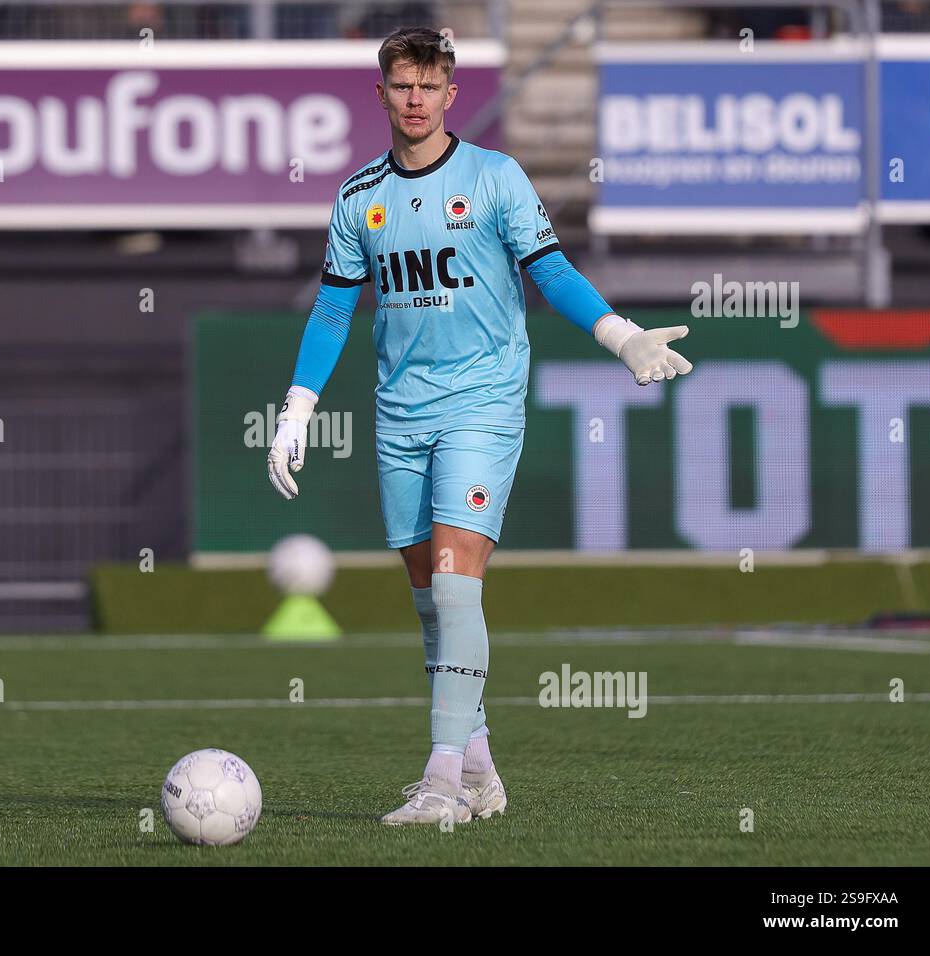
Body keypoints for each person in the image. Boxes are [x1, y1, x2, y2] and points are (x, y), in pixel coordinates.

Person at [266, 26, 694, 825]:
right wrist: (297, 408)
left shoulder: (496, 178)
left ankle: (438, 783)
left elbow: (550, 273)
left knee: (460, 576)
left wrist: (620, 334)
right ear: (384, 92)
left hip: (483, 402)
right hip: (400, 413)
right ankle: (480, 770)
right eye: (403, 86)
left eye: (430, 85)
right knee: (432, 599)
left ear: (451, 92)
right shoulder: (360, 196)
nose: (417, 99)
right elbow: (332, 308)